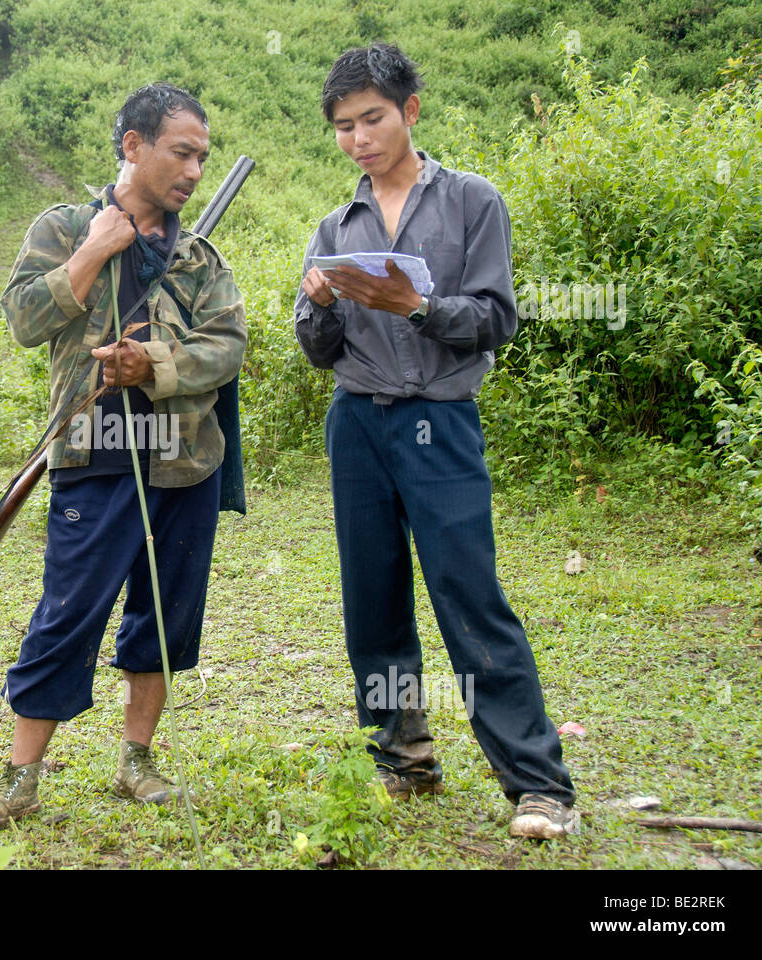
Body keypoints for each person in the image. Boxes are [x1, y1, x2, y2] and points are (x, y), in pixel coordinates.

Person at [293, 43, 578, 839]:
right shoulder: (335, 225)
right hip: (357, 425)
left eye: (372, 118)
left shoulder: (472, 201)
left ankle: (538, 783)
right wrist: (319, 302)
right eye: (344, 126)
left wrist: (412, 303)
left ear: (410, 111)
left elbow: (495, 319)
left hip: (440, 423)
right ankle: (401, 759)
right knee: (372, 599)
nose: (359, 139)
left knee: (469, 597)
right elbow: (316, 349)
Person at [0, 83, 246, 833]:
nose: (193, 170)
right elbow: (24, 318)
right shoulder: (62, 227)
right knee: (69, 610)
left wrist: (152, 364)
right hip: (96, 453)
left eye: (202, 158)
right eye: (181, 152)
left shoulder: (197, 254)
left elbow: (228, 346)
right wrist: (95, 251)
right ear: (133, 146)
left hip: (183, 460)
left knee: (167, 612)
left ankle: (136, 762)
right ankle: (21, 781)